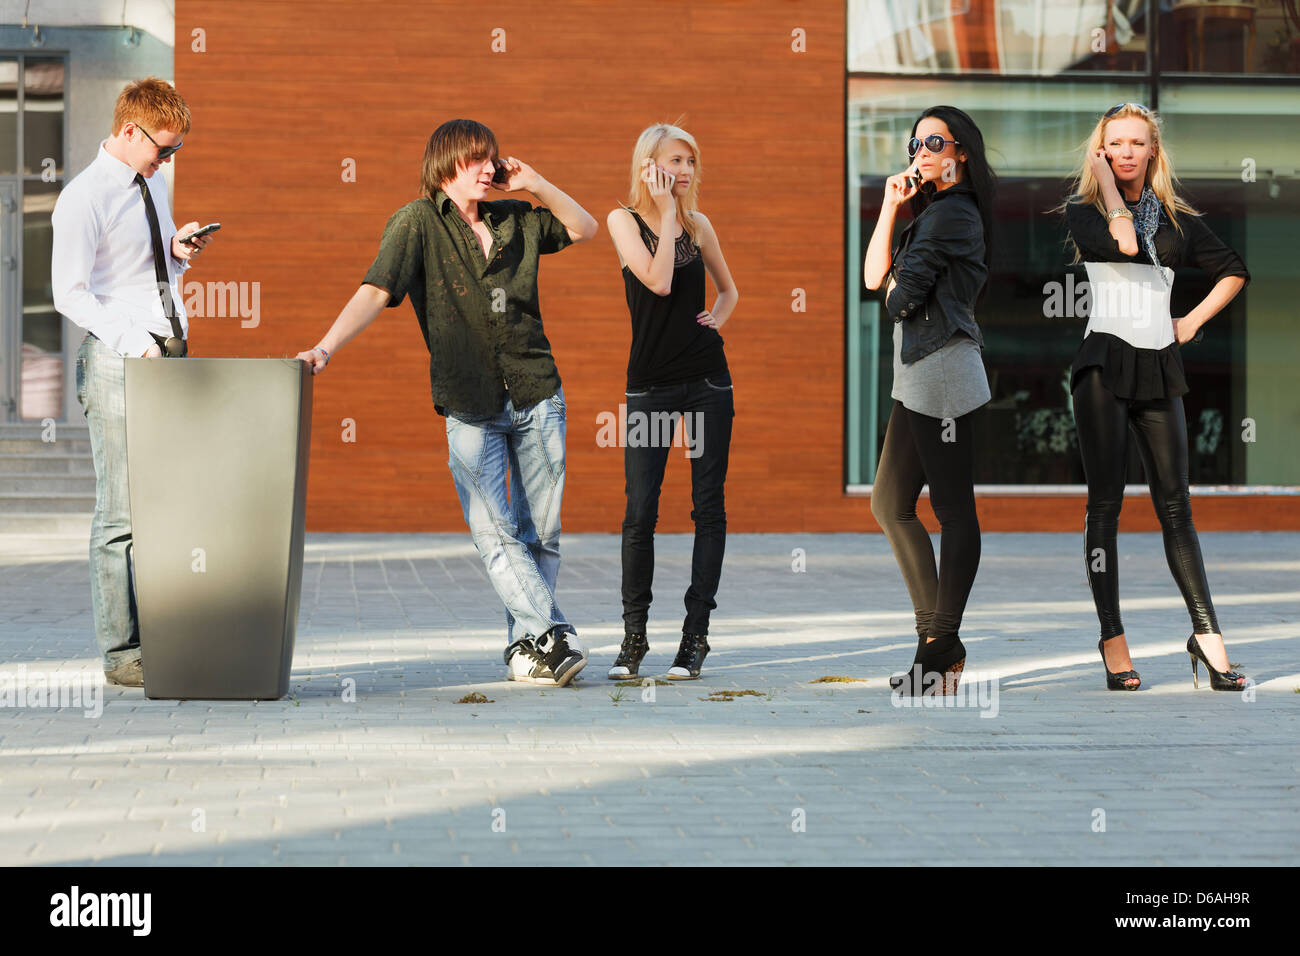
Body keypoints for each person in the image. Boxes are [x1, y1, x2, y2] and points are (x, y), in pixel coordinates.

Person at [296, 119, 597, 686]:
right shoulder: (415, 223)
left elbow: (585, 229)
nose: (490, 168)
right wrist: (325, 346)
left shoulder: (516, 219)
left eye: (495, 159)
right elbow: (376, 290)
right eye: (478, 160)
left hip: (536, 390)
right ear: (447, 163)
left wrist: (535, 183)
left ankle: (528, 651)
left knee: (543, 534)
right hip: (468, 399)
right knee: (495, 531)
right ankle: (553, 632)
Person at [1061, 103, 1249, 692]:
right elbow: (1120, 243)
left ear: (1152, 152)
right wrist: (1107, 188)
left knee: (1176, 507)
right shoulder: (1084, 211)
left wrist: (1190, 323)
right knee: (1106, 508)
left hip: (1160, 367)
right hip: (1103, 364)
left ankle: (1207, 636)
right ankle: (1113, 641)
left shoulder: (1179, 222)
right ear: (1101, 152)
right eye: (1112, 144)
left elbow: (1234, 269)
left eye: (1136, 143)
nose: (1124, 153)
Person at [51, 77, 215, 688]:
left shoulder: (154, 184)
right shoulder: (83, 197)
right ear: (129, 130)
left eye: (173, 152)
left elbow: (140, 270)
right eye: (163, 149)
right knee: (120, 512)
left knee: (166, 506)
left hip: (167, 355)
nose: (168, 159)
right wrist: (136, 344)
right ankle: (123, 653)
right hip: (123, 362)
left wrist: (176, 248)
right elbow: (70, 293)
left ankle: (165, 635)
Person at [863, 106, 996, 697]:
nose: (920, 149)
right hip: (918, 371)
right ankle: (936, 644)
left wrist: (897, 285)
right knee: (889, 503)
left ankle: (939, 648)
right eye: (913, 141)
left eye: (934, 140)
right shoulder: (929, 214)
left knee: (952, 510)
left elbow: (896, 300)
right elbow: (876, 281)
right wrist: (891, 205)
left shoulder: (953, 214)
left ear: (960, 150)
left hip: (942, 370)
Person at [605, 123, 739, 681]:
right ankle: (634, 638)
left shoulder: (699, 225)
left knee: (706, 508)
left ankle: (694, 638)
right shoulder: (623, 221)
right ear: (647, 166)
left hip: (707, 383)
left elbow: (729, 291)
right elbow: (658, 282)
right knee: (641, 512)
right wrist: (663, 213)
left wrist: (717, 319)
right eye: (672, 161)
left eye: (689, 161)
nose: (683, 171)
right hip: (650, 388)